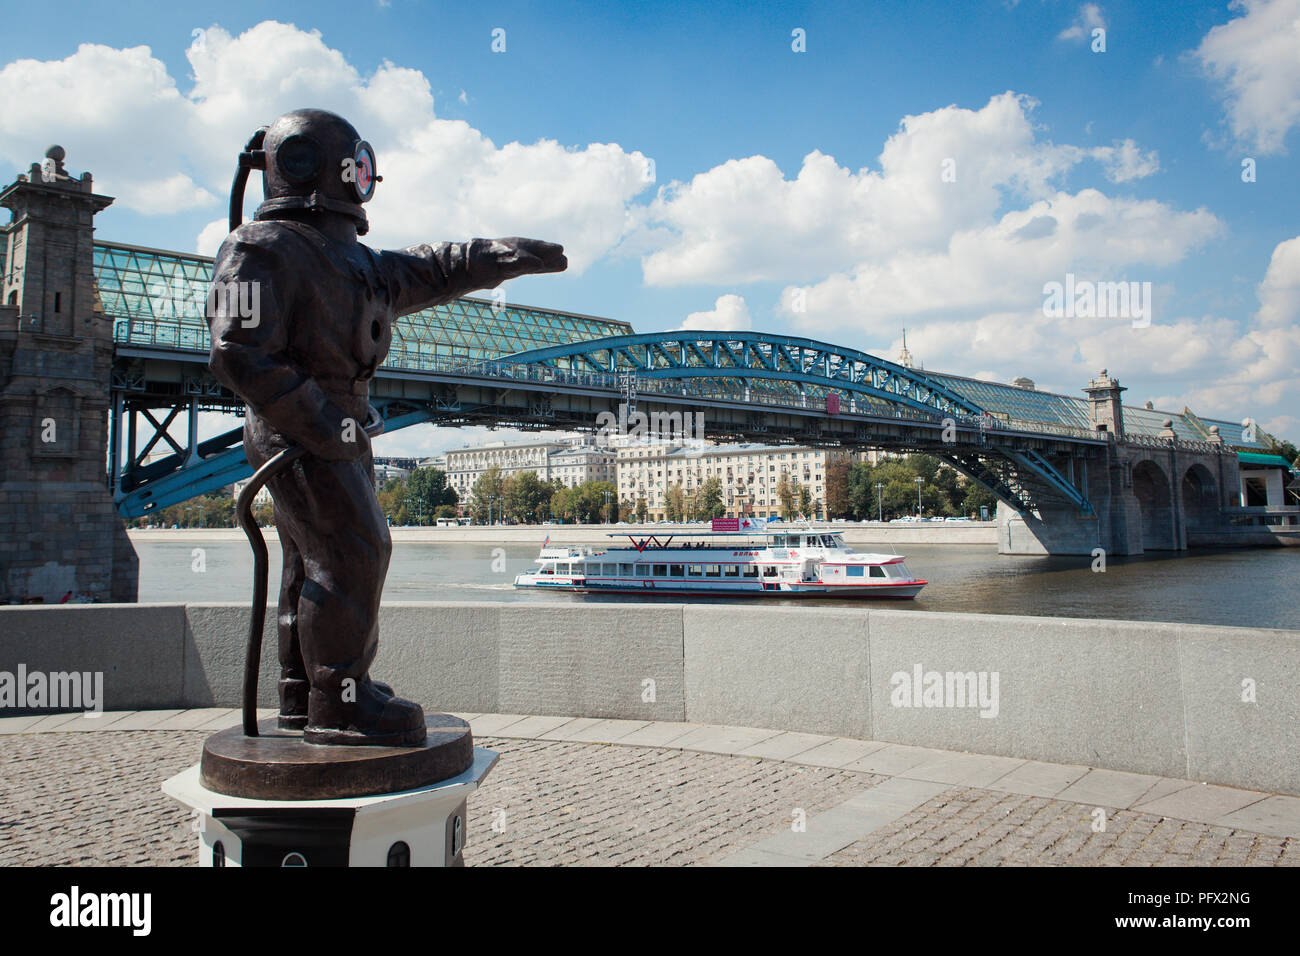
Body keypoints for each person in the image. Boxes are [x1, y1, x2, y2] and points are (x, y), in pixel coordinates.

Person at [207, 109, 565, 745]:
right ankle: (341, 703)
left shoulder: (356, 262)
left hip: (336, 422)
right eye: (359, 168)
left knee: (311, 560)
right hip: (300, 427)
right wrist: (323, 426)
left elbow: (437, 265)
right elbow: (239, 353)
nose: (364, 179)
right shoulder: (258, 248)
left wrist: (503, 256)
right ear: (312, 165)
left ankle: (309, 693)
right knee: (356, 552)